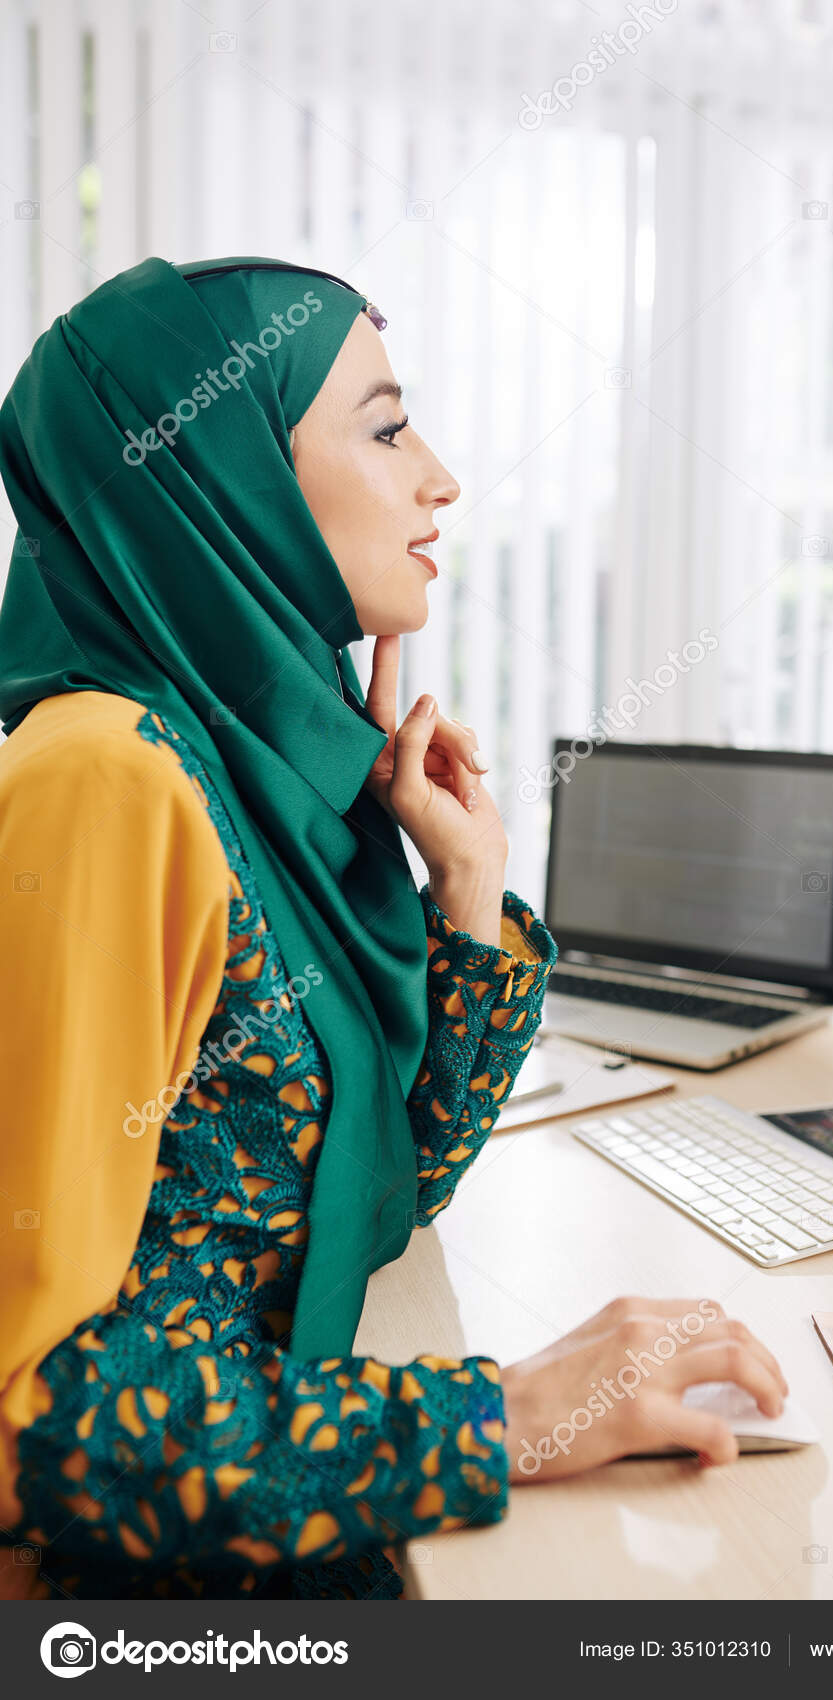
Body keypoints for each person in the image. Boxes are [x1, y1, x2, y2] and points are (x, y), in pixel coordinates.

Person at [0, 256, 787, 1600]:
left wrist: (466, 889)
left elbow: (369, 1199)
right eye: (384, 424)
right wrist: (505, 1413)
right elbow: (31, 1424)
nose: (442, 478)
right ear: (221, 476)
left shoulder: (242, 772)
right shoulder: (109, 779)